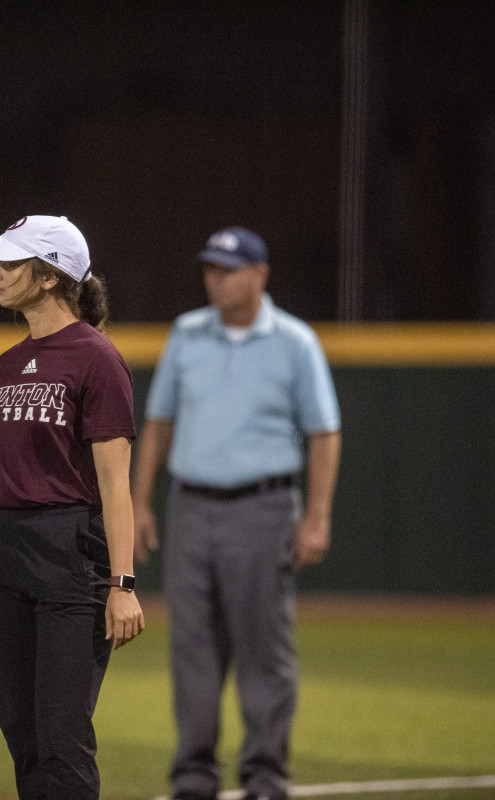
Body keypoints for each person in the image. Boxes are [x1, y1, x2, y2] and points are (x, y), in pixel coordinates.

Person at [131, 226, 341, 800]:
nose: (215, 279)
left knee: (261, 648)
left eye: (227, 269)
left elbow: (323, 432)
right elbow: (159, 422)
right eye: (210, 269)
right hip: (192, 507)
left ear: (260, 274)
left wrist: (316, 517)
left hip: (264, 507)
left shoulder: (295, 341)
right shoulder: (187, 333)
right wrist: (139, 502)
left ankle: (266, 776)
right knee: (192, 648)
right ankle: (194, 778)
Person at [0, 214, 145, 800]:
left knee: (61, 736)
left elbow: (116, 484)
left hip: (69, 556)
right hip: (2, 558)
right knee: (23, 734)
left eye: (10, 263)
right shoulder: (6, 364)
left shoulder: (96, 358)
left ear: (48, 277)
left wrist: (123, 582)